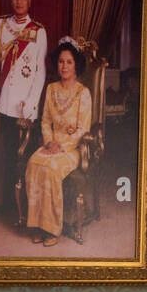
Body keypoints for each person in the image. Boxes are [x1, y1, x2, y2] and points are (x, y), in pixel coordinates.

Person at [23, 39, 92, 247]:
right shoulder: (51, 89)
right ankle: (37, 225)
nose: (64, 66)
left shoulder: (84, 93)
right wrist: (50, 142)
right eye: (61, 62)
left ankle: (51, 228)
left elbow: (83, 129)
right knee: (34, 164)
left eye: (69, 62)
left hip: (72, 149)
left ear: (76, 65)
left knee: (51, 169)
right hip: (50, 144)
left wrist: (61, 145)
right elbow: (44, 121)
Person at [0, 0, 46, 217]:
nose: (18, 1)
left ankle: (29, 205)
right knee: (9, 154)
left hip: (25, 107)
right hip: (7, 102)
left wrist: (32, 105)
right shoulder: (2, 24)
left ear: (29, 0)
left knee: (27, 156)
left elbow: (40, 71)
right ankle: (8, 203)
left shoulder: (38, 30)